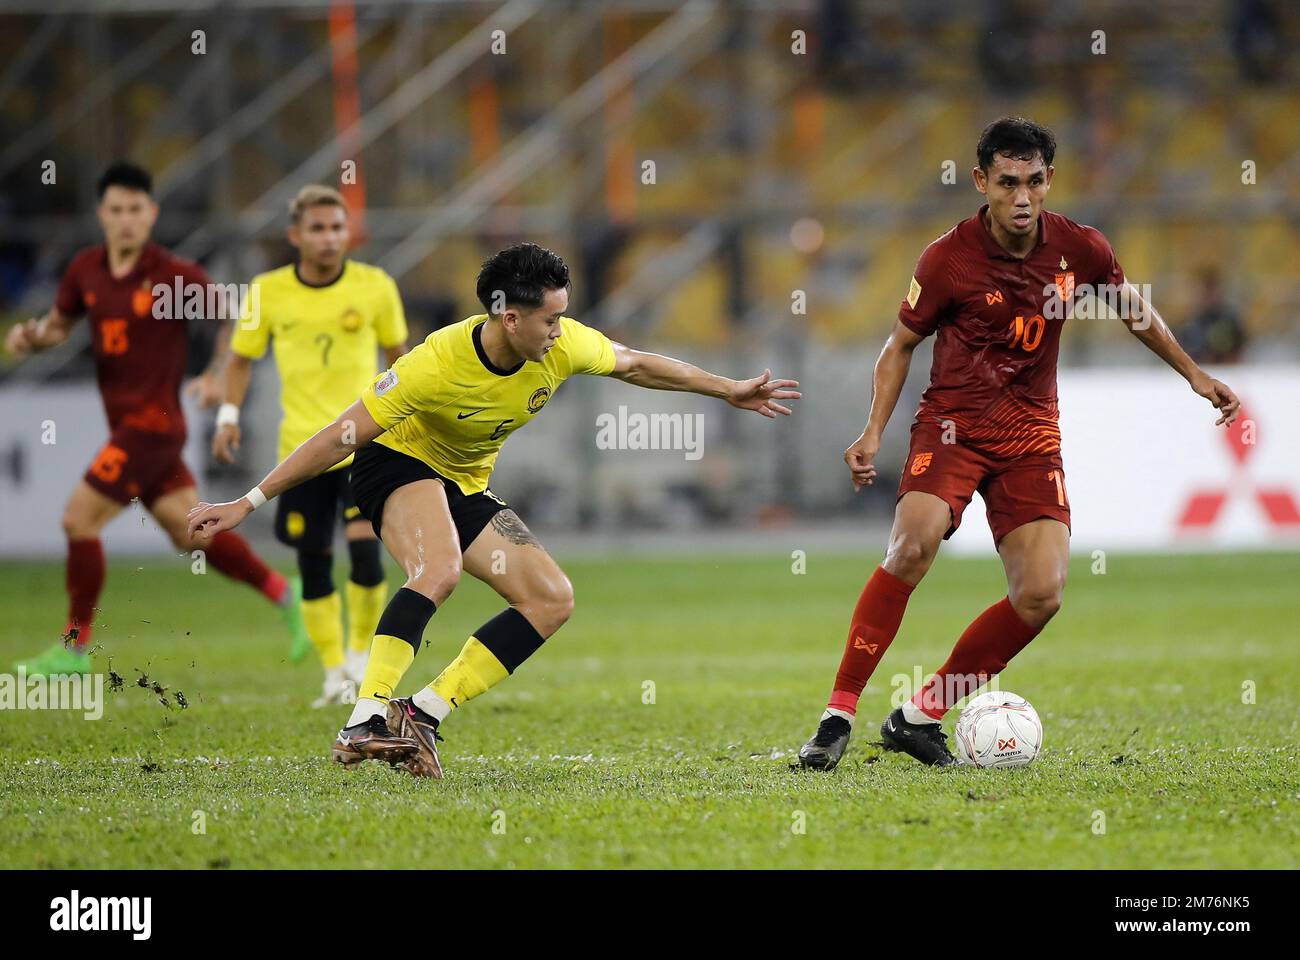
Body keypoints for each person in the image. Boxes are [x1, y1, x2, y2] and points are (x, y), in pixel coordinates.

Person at [188, 242, 800, 776]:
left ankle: (420, 712)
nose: (561, 330)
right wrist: (249, 501)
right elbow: (341, 434)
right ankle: (364, 716)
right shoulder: (433, 363)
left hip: (464, 483)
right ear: (509, 318)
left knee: (551, 598)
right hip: (395, 466)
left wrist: (730, 389)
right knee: (438, 570)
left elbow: (638, 364)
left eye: (563, 316)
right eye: (550, 319)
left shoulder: (562, 346)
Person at [798, 117, 1241, 770]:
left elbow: (1132, 309)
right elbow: (899, 348)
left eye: (1034, 182)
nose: (1023, 197)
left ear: (1050, 181)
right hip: (952, 428)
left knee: (1042, 593)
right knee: (912, 542)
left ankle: (918, 715)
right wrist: (871, 431)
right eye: (1008, 183)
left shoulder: (1080, 249)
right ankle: (837, 714)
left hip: (1031, 439)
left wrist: (1194, 373)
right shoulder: (946, 258)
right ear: (982, 182)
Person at [4, 162, 307, 677]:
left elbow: (233, 319)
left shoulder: (174, 276)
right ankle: (285, 592)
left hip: (155, 426)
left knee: (79, 519)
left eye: (135, 210)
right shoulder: (86, 271)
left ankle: (74, 648)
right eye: (116, 210)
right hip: (126, 426)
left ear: (151, 214)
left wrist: (216, 374)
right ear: (102, 213)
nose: (126, 220)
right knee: (191, 534)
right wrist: (30, 335)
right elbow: (59, 326)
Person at [214, 185, 409, 705]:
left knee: (367, 555)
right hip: (302, 450)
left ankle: (361, 658)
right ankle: (334, 673)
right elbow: (240, 358)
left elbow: (399, 357)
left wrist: (405, 420)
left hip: (366, 444)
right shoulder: (268, 292)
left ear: (348, 233)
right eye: (318, 229)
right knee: (314, 563)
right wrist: (228, 417)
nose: (328, 238)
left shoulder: (375, 286)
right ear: (295, 235)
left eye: (337, 228)